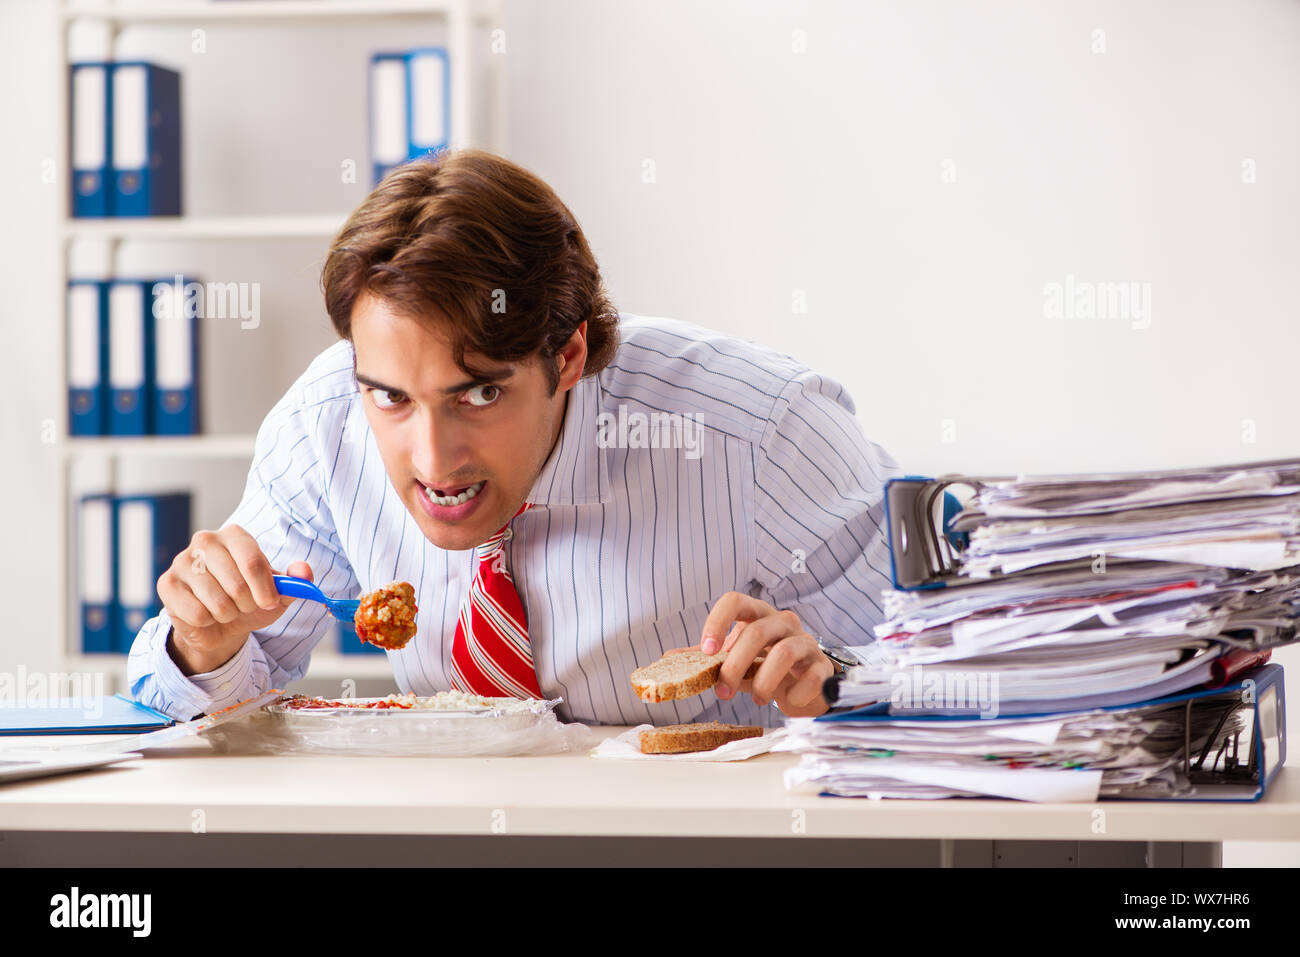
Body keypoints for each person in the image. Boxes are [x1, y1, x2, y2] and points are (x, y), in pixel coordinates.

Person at [127, 149, 902, 728]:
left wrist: (838, 678)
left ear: (567, 354)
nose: (433, 462)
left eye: (480, 393)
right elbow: (192, 712)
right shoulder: (323, 426)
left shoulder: (764, 434)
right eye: (392, 397)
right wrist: (205, 645)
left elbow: (960, 685)